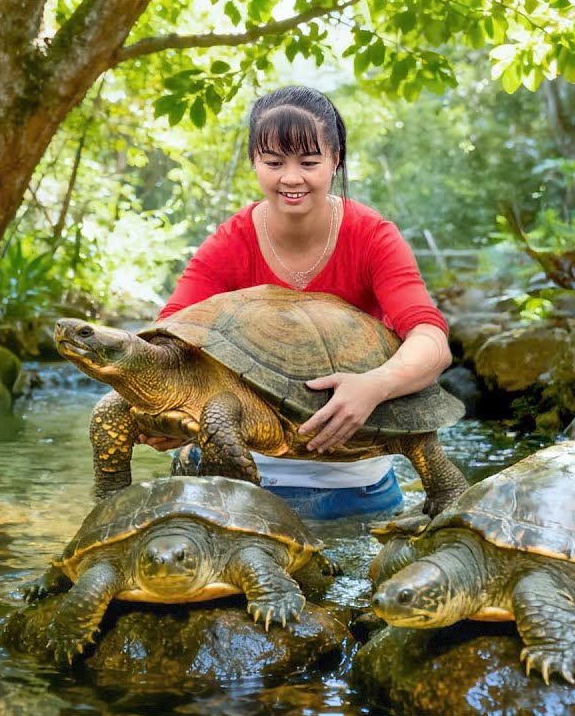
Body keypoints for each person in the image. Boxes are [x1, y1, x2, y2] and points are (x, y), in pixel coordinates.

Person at [139, 85, 453, 520]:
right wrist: (168, 411)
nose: (291, 178)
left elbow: (430, 339)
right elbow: (165, 342)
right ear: (254, 161)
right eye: (273, 163)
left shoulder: (372, 237)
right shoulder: (230, 243)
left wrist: (375, 384)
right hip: (229, 470)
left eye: (308, 162)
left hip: (354, 477)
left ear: (335, 160)